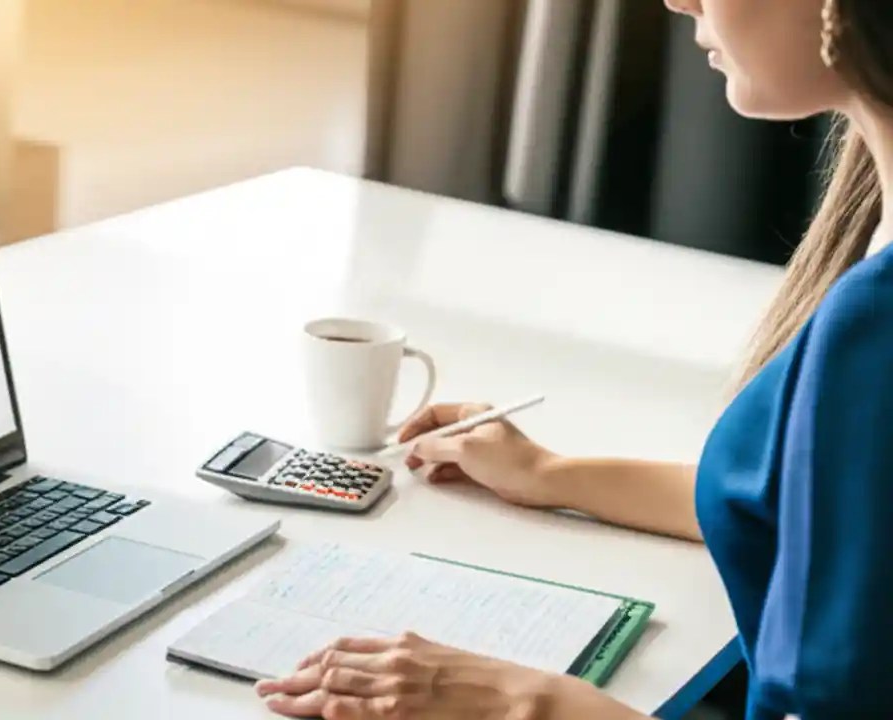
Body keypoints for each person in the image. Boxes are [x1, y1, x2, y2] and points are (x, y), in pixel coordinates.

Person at [254, 0, 893, 718]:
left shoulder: (874, 327)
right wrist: (551, 475)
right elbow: (809, 506)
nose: (679, 0)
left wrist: (525, 699)